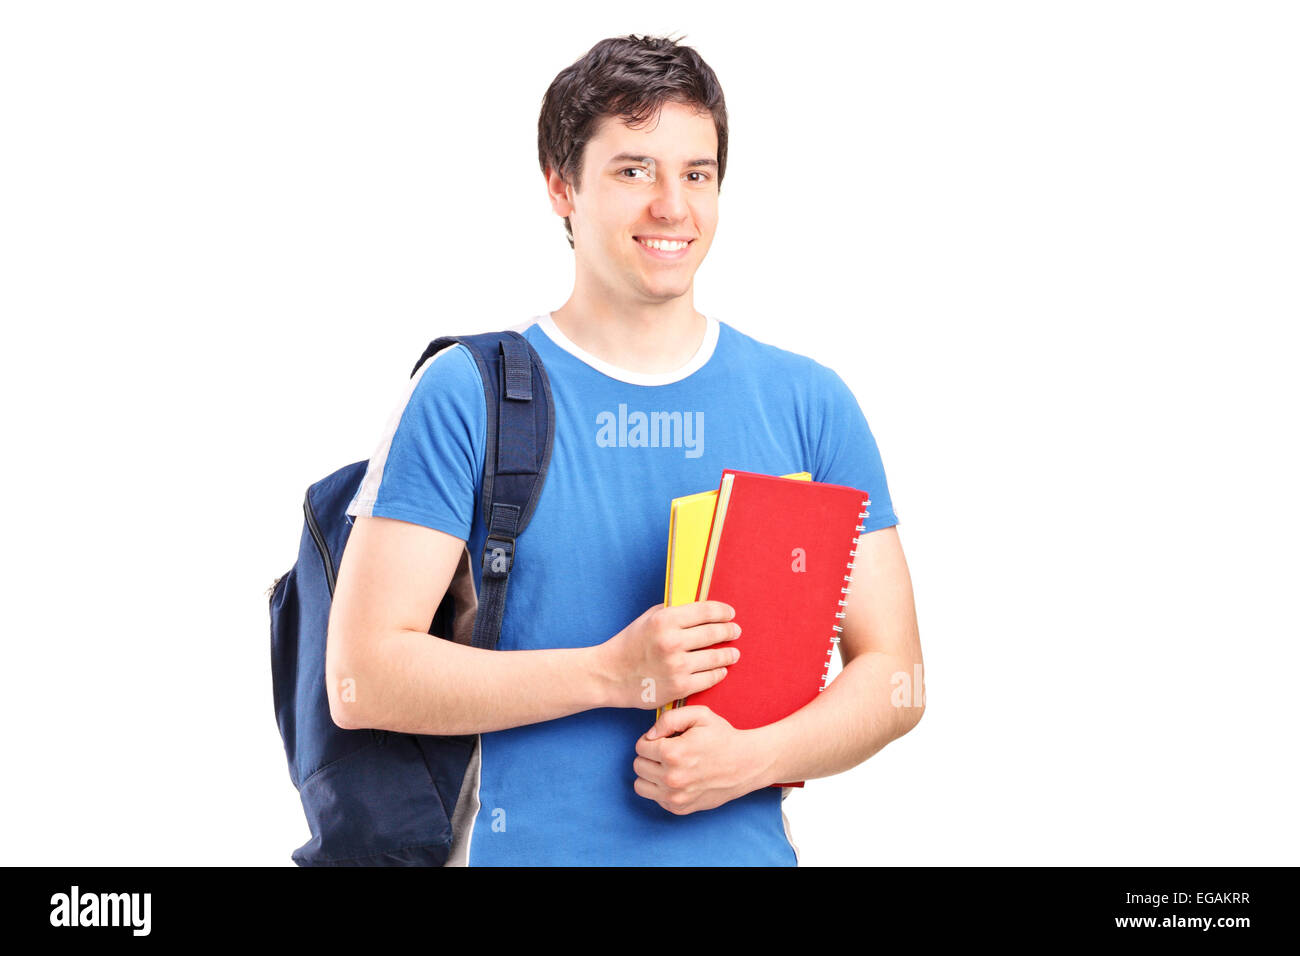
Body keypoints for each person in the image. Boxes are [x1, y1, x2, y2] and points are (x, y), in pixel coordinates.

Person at [326, 34, 924, 866]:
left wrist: (755, 759)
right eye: (633, 170)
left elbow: (894, 677)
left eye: (697, 173)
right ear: (561, 186)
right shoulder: (468, 395)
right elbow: (364, 676)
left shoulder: (809, 404)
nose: (672, 206)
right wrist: (613, 675)